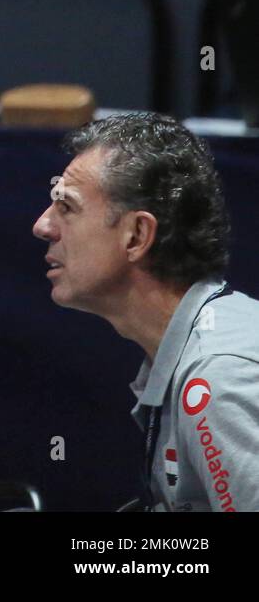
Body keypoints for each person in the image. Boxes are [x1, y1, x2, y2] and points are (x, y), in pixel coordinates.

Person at [33, 112, 259, 512]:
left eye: (66, 207)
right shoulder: (186, 353)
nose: (42, 225)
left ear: (137, 235)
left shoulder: (217, 378)